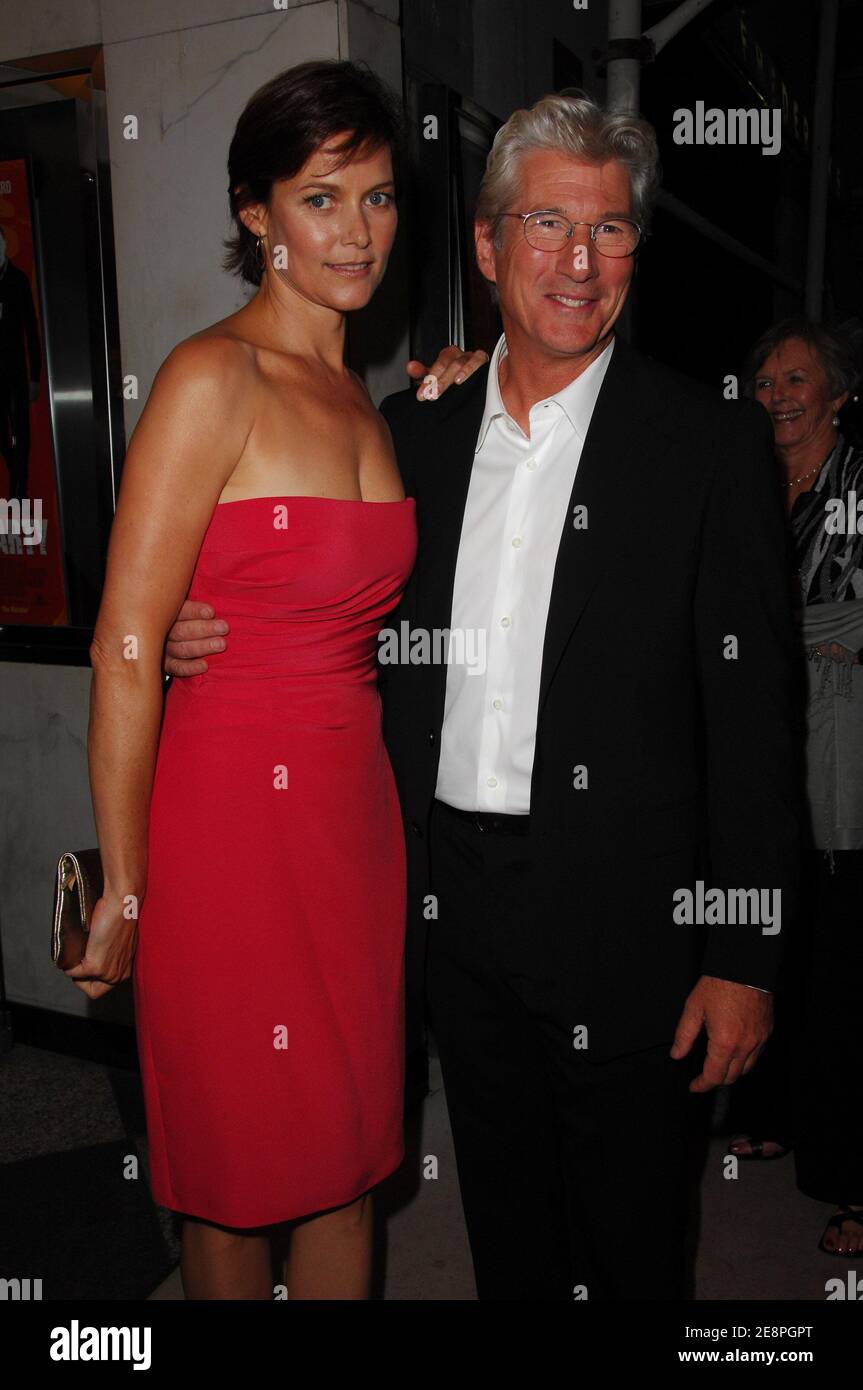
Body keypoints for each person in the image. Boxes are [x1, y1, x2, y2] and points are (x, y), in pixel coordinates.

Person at [168, 90, 802, 1300]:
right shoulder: (412, 432)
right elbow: (291, 573)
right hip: (446, 909)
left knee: (628, 1248)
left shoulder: (704, 442)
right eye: (547, 226)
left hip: (631, 925)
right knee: (505, 1235)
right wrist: (197, 628)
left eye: (610, 230)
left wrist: (745, 954)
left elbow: (754, 721)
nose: (577, 261)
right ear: (485, 243)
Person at [72, 59, 482, 1302]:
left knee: (349, 1158)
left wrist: (475, 393)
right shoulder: (211, 379)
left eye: (375, 197)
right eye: (320, 199)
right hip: (227, 826)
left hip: (349, 827)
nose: (356, 233)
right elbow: (125, 645)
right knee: (239, 1177)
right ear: (257, 215)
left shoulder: (369, 405)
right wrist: (128, 884)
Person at [729, 319, 863, 1257]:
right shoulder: (748, 482)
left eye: (798, 378)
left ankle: (853, 1177)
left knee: (846, 959)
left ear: (838, 392)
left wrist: (809, 632)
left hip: (842, 741)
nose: (779, 394)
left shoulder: (857, 484)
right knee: (775, 930)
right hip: (762, 742)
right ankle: (774, 1109)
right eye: (766, 379)